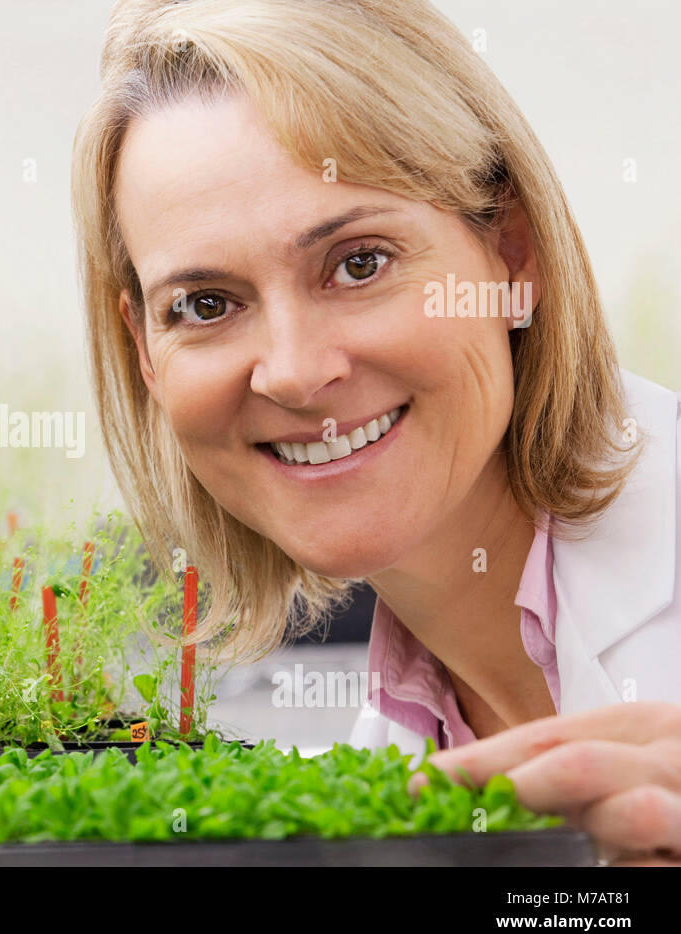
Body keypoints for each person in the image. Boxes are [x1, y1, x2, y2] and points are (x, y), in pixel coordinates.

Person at [71, 0, 680, 863]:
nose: (291, 369)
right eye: (206, 305)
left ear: (514, 255)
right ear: (144, 350)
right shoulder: (387, 750)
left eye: (360, 264)